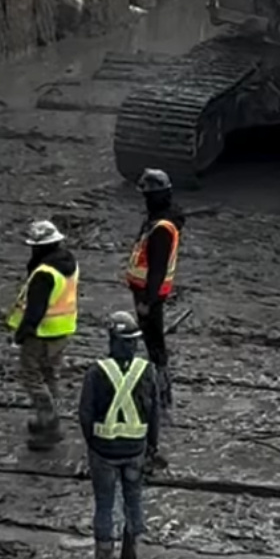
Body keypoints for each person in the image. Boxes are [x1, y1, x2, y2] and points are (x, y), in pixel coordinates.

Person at [77, 309, 160, 559]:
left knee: (104, 505)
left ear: (112, 339)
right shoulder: (147, 371)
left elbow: (85, 413)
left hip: (104, 451)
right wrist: (152, 447)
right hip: (135, 450)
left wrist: (93, 443)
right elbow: (155, 413)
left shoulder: (96, 372)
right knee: (133, 502)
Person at [6, 219, 78, 451]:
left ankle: (49, 424)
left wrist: (21, 333)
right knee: (50, 376)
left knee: (31, 377)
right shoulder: (69, 263)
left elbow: (35, 310)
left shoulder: (44, 274)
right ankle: (50, 418)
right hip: (62, 331)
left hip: (41, 333)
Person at [125, 168, 182, 413]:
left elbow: (157, 268)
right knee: (154, 341)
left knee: (155, 343)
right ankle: (161, 389)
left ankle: (162, 394)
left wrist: (147, 300)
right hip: (148, 290)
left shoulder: (161, 228)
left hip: (150, 293)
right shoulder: (160, 220)